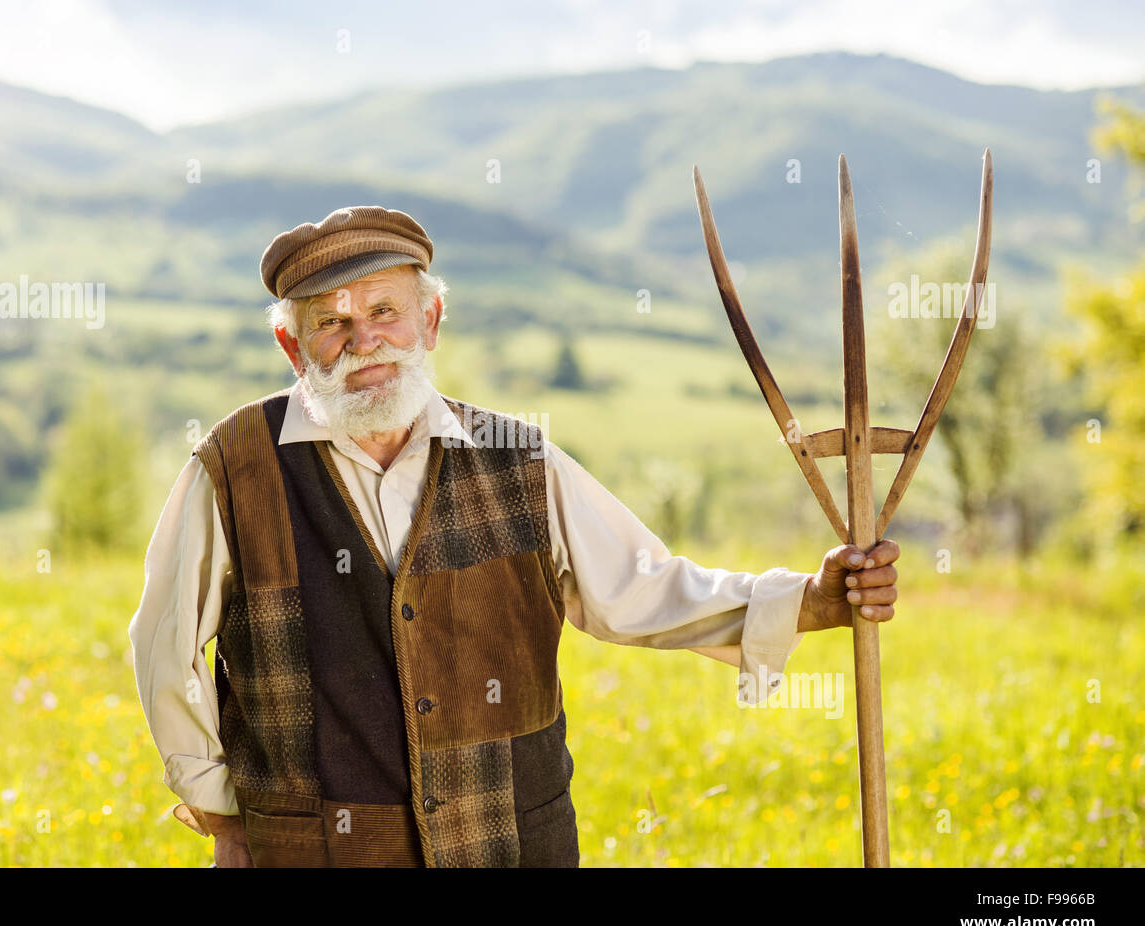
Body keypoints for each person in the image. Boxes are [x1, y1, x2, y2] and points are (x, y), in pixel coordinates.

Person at [128, 205, 900, 868]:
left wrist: (812, 599)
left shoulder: (520, 458)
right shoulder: (233, 466)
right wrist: (220, 810)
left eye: (384, 311)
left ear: (428, 320)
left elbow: (644, 586)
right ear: (293, 348)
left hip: (515, 842)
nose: (363, 339)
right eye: (330, 322)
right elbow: (163, 644)